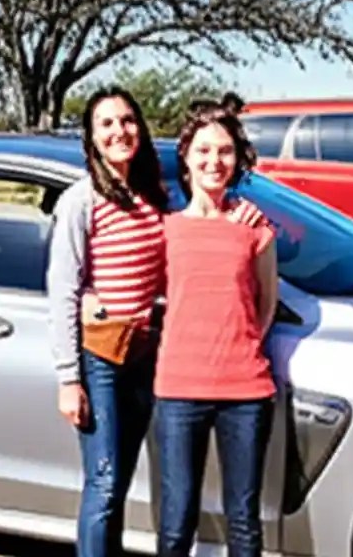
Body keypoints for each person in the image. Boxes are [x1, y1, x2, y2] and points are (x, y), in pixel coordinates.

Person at [46, 85, 172, 557]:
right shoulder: (82, 200)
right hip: (100, 355)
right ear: (91, 138)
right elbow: (62, 289)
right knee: (102, 482)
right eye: (106, 124)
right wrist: (68, 378)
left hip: (142, 352)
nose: (119, 131)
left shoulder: (152, 196)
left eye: (127, 120)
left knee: (117, 481)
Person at [152, 92, 279, 557]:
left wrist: (241, 345)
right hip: (179, 390)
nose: (214, 161)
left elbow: (267, 303)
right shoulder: (166, 229)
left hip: (245, 392)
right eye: (204, 150)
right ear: (185, 156)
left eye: (224, 151)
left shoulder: (254, 226)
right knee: (176, 518)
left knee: (243, 520)